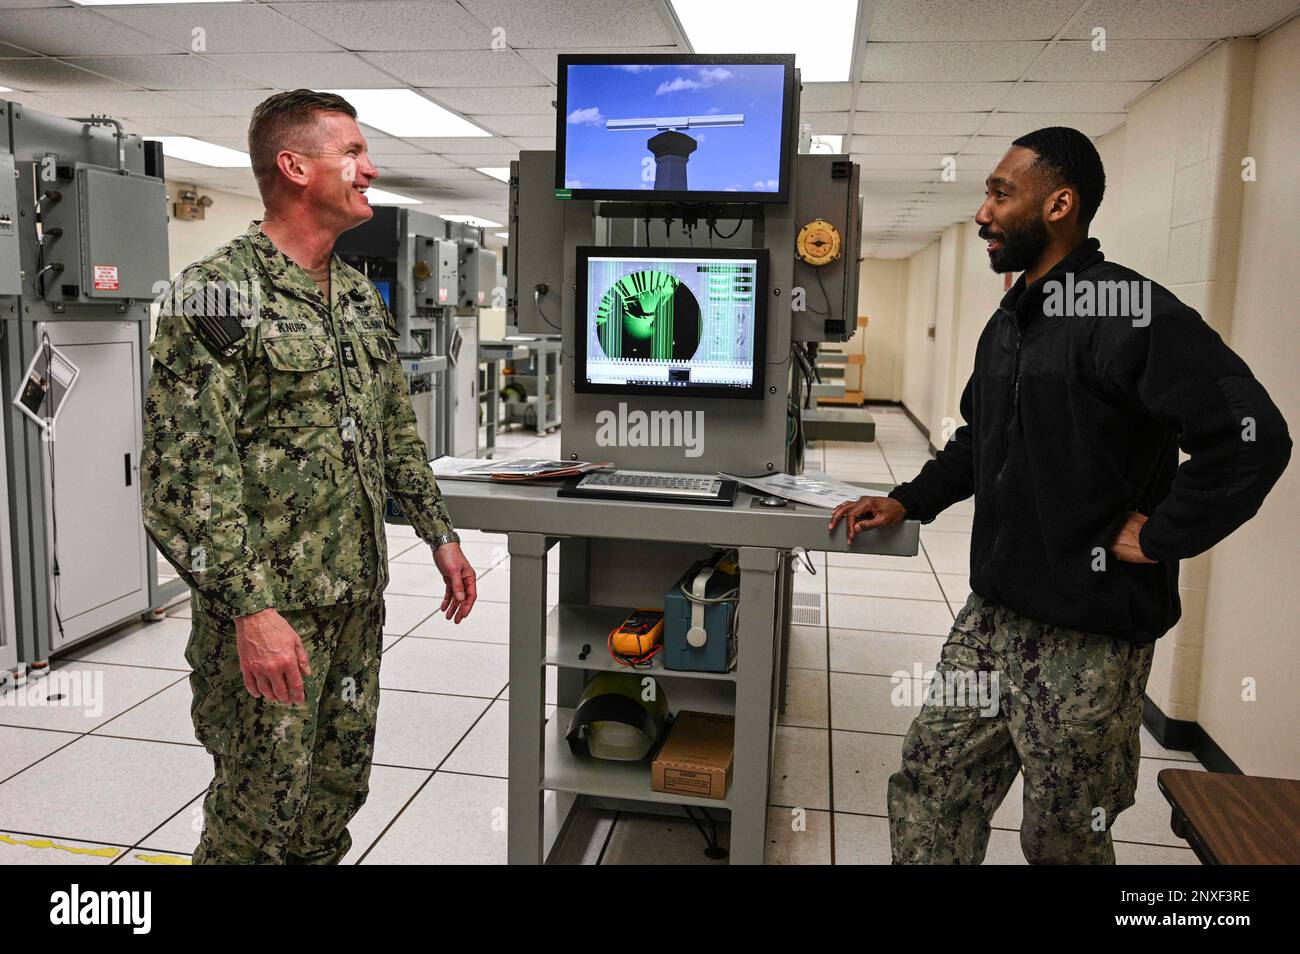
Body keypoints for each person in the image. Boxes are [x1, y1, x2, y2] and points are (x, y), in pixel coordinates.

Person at [828, 126, 1290, 864]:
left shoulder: (1128, 312)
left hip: (1091, 638)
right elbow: (981, 444)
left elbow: (1251, 434)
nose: (983, 211)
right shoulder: (1010, 320)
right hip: (993, 617)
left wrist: (1164, 533)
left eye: (1000, 192)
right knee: (932, 786)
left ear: (1059, 204)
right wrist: (909, 501)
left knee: (1066, 837)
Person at [140, 89, 478, 864]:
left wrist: (439, 533)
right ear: (295, 167)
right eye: (353, 153)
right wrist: (252, 613)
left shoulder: (356, 295)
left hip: (355, 599)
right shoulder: (220, 294)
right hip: (273, 616)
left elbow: (392, 426)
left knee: (333, 799)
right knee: (259, 814)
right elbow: (183, 476)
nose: (371, 168)